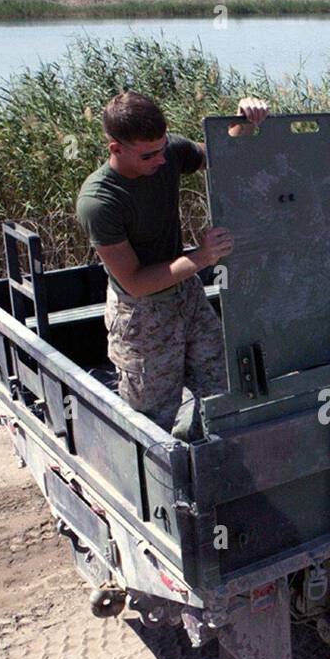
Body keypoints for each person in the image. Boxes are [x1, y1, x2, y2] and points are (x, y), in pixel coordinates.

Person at [75, 90, 268, 434]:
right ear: (115, 149)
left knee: (223, 390)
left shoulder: (168, 153)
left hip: (186, 296)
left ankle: (209, 462)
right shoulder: (100, 201)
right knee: (152, 421)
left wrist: (242, 120)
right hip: (141, 314)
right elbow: (134, 281)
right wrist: (203, 257)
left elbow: (223, 157)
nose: (162, 160)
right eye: (149, 155)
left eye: (163, 148)